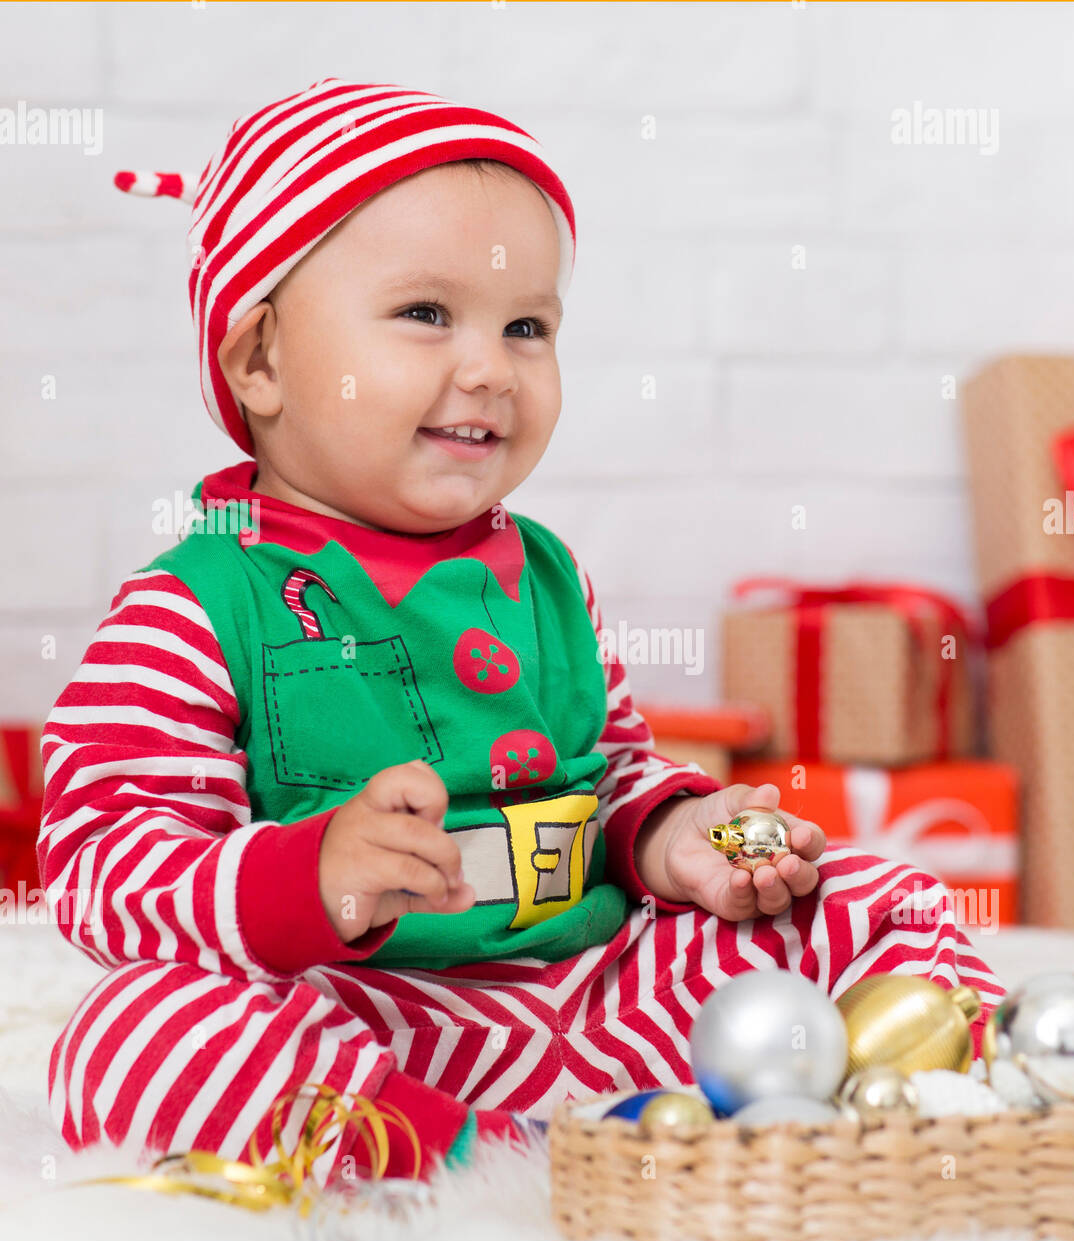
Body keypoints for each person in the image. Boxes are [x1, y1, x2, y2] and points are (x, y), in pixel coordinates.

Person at [40, 78, 1004, 1183]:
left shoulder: (544, 572)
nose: (491, 368)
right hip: (374, 1026)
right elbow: (102, 867)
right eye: (425, 314)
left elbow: (613, 772)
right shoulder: (200, 603)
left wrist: (673, 838)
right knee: (131, 1037)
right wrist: (309, 880)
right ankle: (463, 1164)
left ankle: (925, 1115)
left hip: (596, 999)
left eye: (527, 326)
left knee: (888, 900)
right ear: (259, 361)